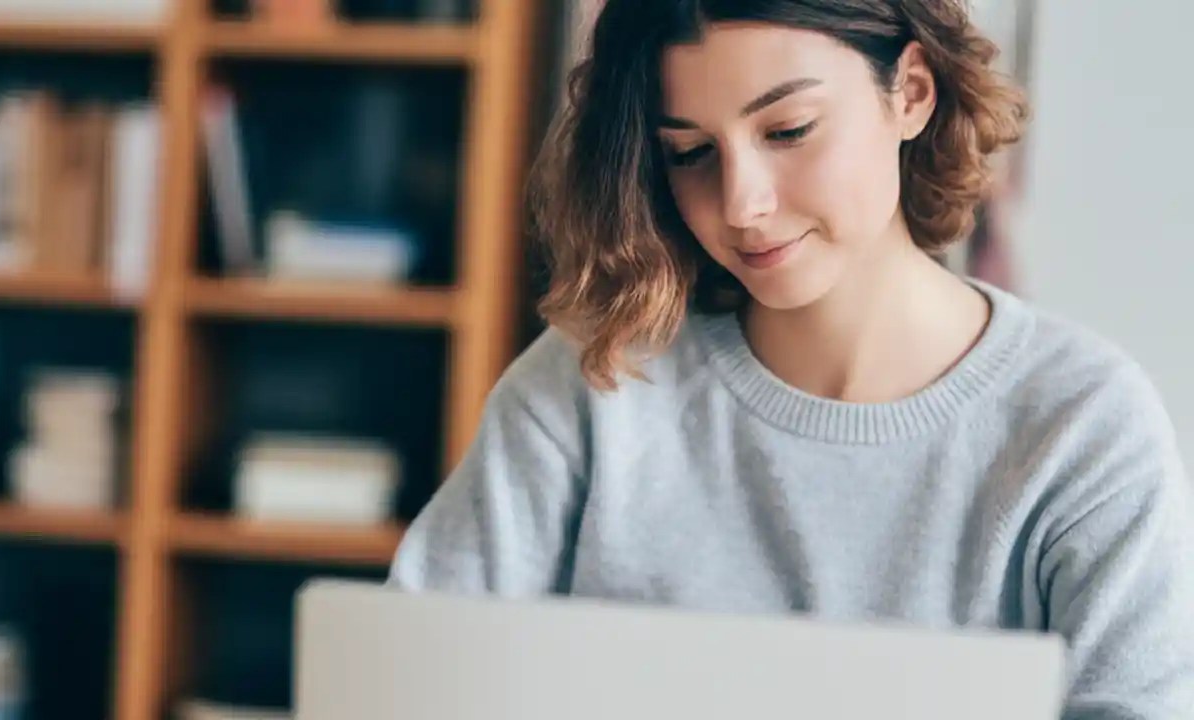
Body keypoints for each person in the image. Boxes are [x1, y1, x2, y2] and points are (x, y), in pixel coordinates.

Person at [387, 1, 1194, 716]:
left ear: (911, 92)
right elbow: (409, 682)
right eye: (691, 153)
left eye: (787, 131)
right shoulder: (594, 381)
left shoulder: (1083, 426)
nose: (742, 205)